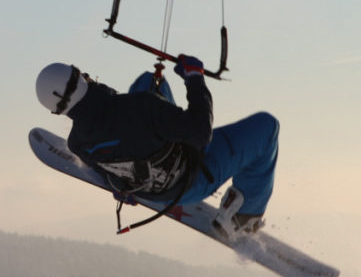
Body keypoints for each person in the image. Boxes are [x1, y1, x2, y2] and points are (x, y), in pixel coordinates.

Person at [34, 56, 278, 236]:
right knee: (268, 128)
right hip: (192, 179)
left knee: (148, 80)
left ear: (57, 111)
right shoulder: (142, 107)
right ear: (80, 76)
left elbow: (108, 164)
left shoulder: (77, 144)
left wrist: (120, 185)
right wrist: (195, 80)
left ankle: (145, 173)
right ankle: (244, 218)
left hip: (147, 187)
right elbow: (200, 133)